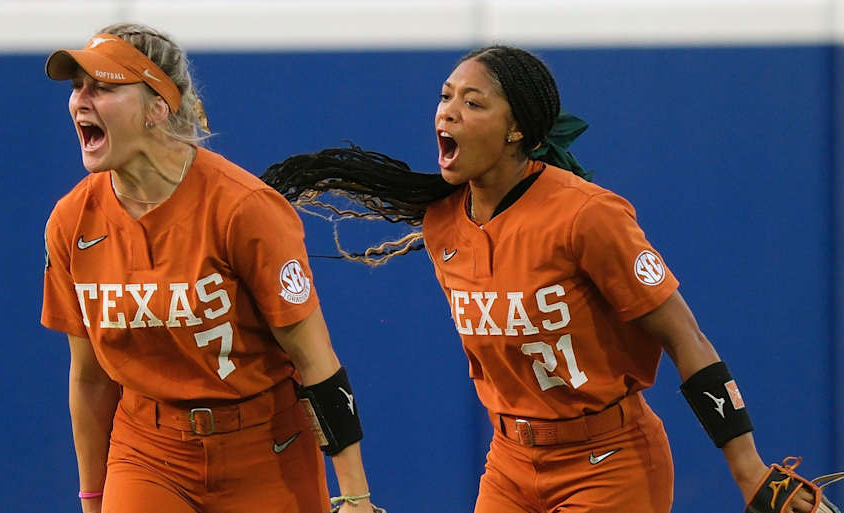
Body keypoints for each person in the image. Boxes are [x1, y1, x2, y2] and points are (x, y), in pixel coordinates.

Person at [261, 46, 830, 513]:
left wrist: (749, 470)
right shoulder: (442, 222)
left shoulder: (589, 216)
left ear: (516, 131)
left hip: (609, 464)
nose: (448, 111)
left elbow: (687, 340)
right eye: (445, 96)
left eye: (472, 101)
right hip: (509, 464)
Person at [40, 23, 380, 513]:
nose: (80, 101)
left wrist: (356, 497)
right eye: (77, 87)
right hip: (148, 452)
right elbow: (90, 379)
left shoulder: (244, 209)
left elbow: (315, 361)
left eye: (105, 87)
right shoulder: (72, 221)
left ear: (159, 106)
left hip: (265, 448)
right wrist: (92, 500)